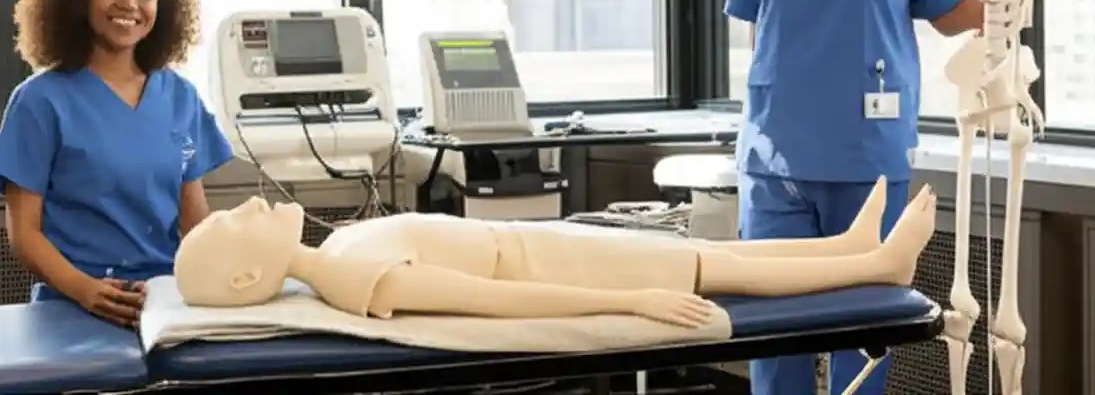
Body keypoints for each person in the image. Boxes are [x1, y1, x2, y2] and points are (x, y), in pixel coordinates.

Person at [724, 0, 984, 394]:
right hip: (774, 160)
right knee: (774, 334)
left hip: (867, 158)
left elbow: (949, 12)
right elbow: (763, 34)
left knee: (862, 339)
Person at [173, 179, 938, 326]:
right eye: (229, 224)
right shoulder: (349, 275)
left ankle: (843, 244)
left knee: (725, 252)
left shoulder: (338, 248)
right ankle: (878, 267)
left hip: (543, 244)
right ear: (247, 274)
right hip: (553, 268)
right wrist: (625, 302)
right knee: (720, 268)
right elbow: (495, 303)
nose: (243, 206)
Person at [0, 0, 236, 328]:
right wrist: (87, 291)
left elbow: (195, 222)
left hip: (166, 300)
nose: (129, 3)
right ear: (78, 0)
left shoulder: (180, 96)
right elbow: (25, 235)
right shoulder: (39, 101)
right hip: (71, 302)